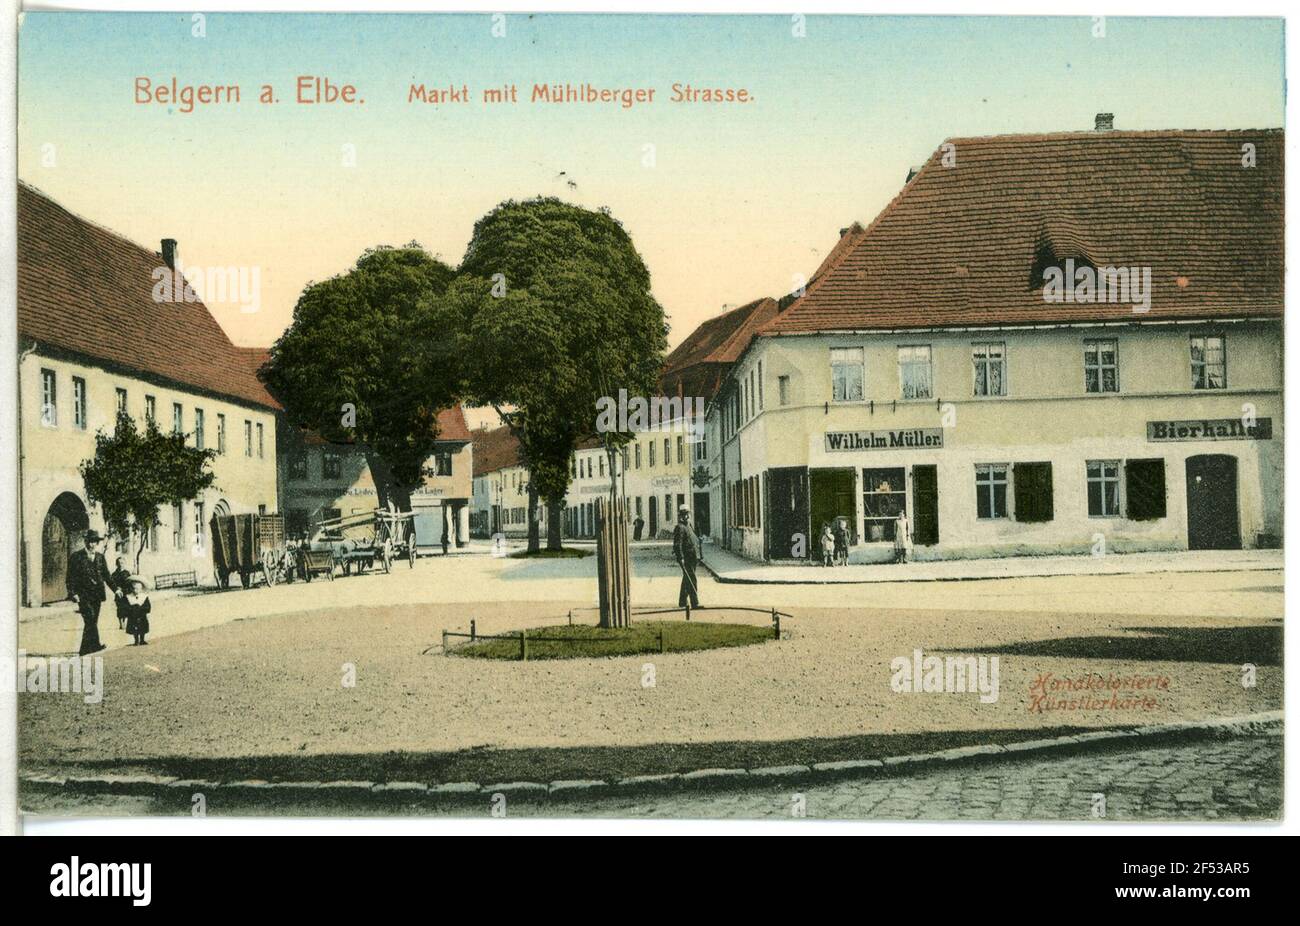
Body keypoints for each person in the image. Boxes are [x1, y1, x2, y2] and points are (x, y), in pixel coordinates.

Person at [67, 529, 113, 655]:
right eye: (90, 542)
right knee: (90, 619)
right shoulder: (76, 557)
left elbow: (107, 576)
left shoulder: (100, 557)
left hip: (97, 595)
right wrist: (73, 593)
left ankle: (93, 646)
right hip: (83, 595)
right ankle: (84, 649)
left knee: (93, 621)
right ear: (86, 542)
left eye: (95, 542)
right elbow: (70, 577)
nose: (93, 545)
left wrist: (116, 589)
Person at [672, 505, 700, 609]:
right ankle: (695, 602)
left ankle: (682, 601)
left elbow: (693, 538)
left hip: (693, 556)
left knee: (686, 579)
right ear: (681, 515)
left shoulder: (689, 526)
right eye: (684, 514)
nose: (686, 516)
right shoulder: (679, 527)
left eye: (687, 514)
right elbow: (677, 544)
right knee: (691, 579)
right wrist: (681, 558)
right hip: (686, 558)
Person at [123, 577, 152, 645]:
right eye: (133, 588)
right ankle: (136, 640)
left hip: (141, 615)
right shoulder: (129, 597)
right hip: (133, 615)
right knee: (134, 628)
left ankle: (142, 639)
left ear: (141, 589)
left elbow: (147, 606)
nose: (135, 590)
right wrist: (130, 610)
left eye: (137, 589)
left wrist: (144, 610)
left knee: (143, 627)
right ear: (131, 589)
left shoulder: (144, 597)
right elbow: (126, 606)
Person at [110, 556, 132, 630]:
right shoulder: (114, 574)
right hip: (118, 594)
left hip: (126, 593)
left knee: (126, 608)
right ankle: (121, 623)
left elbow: (130, 582)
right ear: (116, 564)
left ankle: (124, 621)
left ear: (124, 563)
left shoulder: (127, 573)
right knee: (119, 608)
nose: (120, 564)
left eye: (122, 563)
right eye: (119, 563)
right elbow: (112, 583)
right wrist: (116, 588)